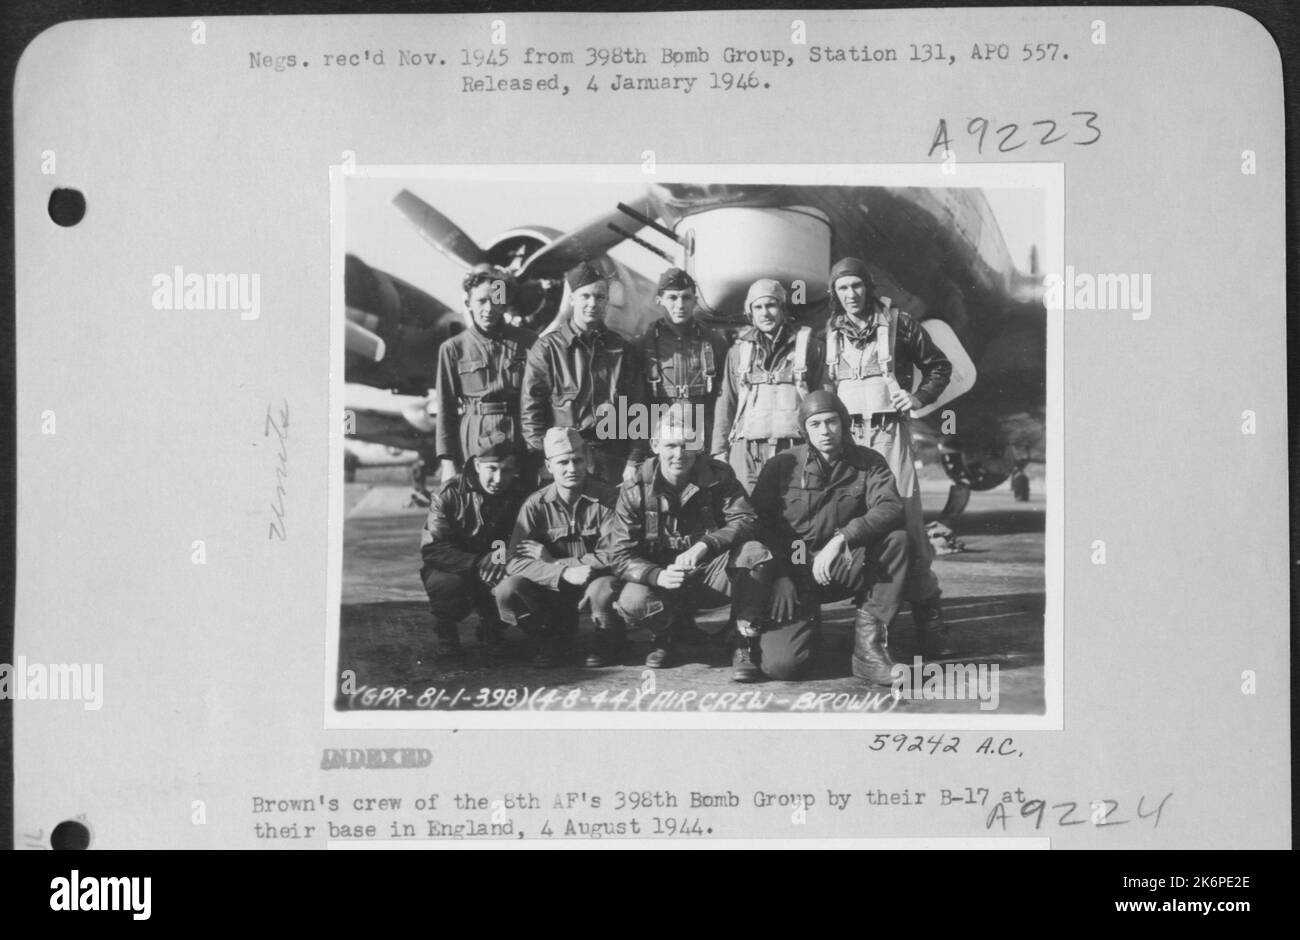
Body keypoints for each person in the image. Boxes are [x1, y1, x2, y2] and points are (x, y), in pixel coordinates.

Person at [821, 257, 953, 656]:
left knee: (907, 522)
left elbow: (939, 366)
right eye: (842, 288)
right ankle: (870, 621)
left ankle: (930, 620)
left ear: (868, 286)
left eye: (856, 286)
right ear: (835, 293)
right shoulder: (829, 332)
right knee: (852, 523)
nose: (850, 295)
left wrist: (917, 398)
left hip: (888, 433)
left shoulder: (899, 324)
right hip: (849, 442)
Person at [748, 391, 910, 684]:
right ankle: (800, 626)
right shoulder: (781, 465)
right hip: (793, 573)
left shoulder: (869, 461)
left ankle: (868, 651)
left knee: (896, 539)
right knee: (783, 667)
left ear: (844, 423)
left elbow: (891, 507)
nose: (825, 431)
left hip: (841, 564)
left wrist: (842, 539)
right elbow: (759, 526)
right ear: (804, 430)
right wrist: (780, 576)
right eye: (816, 424)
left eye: (832, 422)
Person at [602, 403, 774, 680]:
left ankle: (743, 641)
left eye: (686, 445)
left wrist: (707, 544)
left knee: (754, 553)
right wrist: (657, 576)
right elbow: (620, 556)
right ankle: (667, 634)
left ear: (698, 446)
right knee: (633, 601)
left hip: (709, 573)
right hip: (664, 580)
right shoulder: (635, 488)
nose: (679, 454)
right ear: (655, 444)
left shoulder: (719, 476)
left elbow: (746, 520)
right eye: (671, 445)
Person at [494, 427, 625, 668]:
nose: (571, 469)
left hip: (596, 581)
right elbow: (513, 560)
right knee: (508, 590)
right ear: (548, 466)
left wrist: (558, 562)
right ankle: (550, 640)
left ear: (587, 460)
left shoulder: (608, 499)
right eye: (563, 462)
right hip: (554, 587)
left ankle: (608, 642)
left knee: (603, 591)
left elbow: (615, 554)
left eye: (577, 460)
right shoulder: (536, 504)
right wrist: (562, 573)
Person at [520, 262, 646, 486]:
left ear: (607, 301)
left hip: (611, 460)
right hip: (565, 461)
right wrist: (547, 457)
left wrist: (634, 461)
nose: (592, 304)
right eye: (585, 296)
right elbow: (531, 413)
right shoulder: (547, 349)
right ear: (571, 299)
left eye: (599, 297)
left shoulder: (622, 349)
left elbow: (638, 409)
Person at [417, 433, 530, 667]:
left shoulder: (519, 493)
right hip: (456, 566)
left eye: (506, 470)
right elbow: (434, 549)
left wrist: (498, 555)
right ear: (477, 465)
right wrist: (477, 561)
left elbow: (520, 535)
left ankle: (493, 627)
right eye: (492, 469)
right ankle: (447, 635)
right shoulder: (448, 494)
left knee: (517, 584)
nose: (499, 479)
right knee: (447, 585)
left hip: (498, 562)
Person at [712, 278, 823, 493]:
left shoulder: (810, 348)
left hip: (795, 449)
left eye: (771, 305)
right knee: (746, 515)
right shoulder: (737, 353)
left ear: (782, 308)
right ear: (750, 313)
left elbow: (823, 398)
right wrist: (719, 452)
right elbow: (726, 403)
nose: (765, 313)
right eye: (758, 307)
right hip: (747, 454)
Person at [434, 266, 537, 484]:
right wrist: (447, 461)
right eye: (481, 301)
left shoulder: (529, 342)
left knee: (521, 505)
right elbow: (445, 409)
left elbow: (543, 399)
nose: (489, 308)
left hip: (519, 434)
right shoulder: (453, 348)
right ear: (468, 303)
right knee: (475, 506)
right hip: (474, 435)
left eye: (495, 300)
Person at [635, 267, 729, 451]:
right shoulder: (642, 346)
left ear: (695, 301)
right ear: (659, 300)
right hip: (662, 441)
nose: (680, 305)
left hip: (704, 439)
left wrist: (719, 446)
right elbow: (636, 402)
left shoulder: (715, 343)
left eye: (686, 297)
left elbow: (725, 400)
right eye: (672, 298)